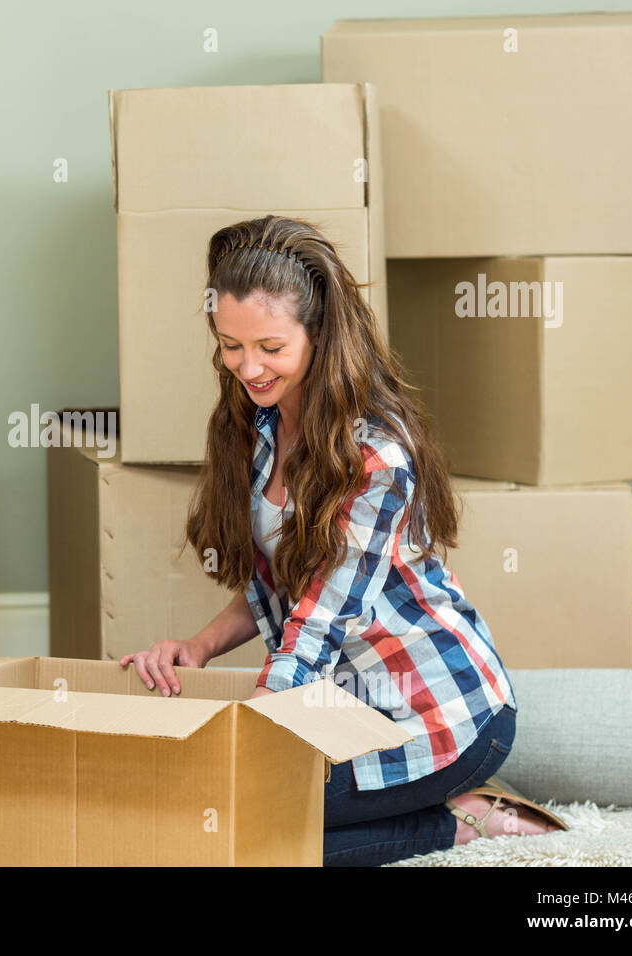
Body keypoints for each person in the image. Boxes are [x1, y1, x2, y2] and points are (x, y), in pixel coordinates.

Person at [120, 216, 566, 866]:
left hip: (440, 715)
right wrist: (198, 646)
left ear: (319, 333)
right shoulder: (263, 428)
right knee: (204, 815)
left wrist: (242, 739)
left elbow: (318, 621)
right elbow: (280, 586)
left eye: (271, 346)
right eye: (231, 345)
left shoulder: (376, 456)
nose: (249, 367)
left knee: (237, 829)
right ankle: (423, 808)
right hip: (340, 707)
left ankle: (460, 824)